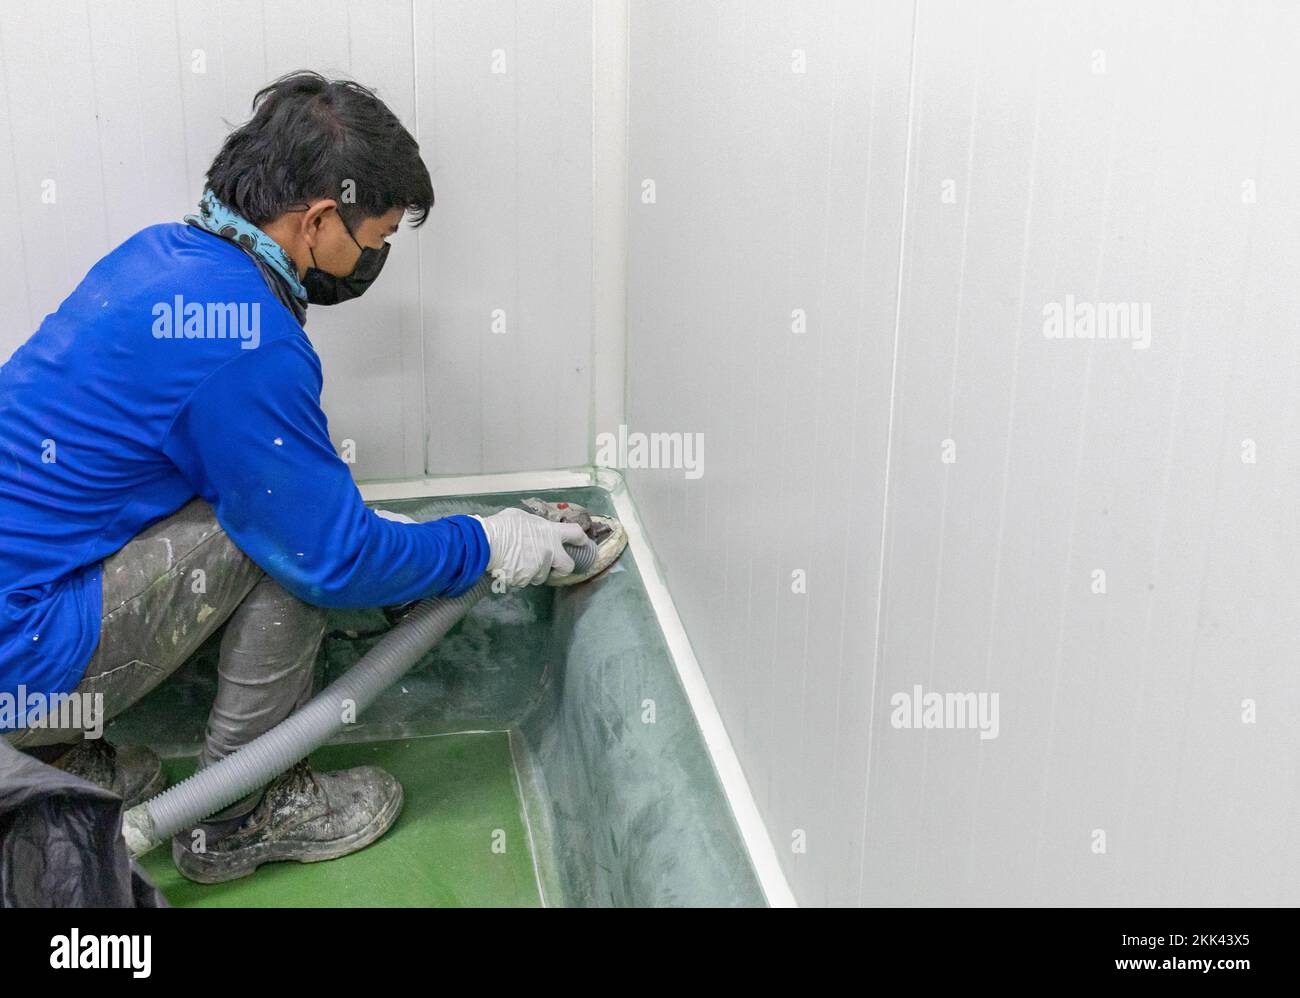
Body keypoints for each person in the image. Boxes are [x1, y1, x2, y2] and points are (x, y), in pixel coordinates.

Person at [0, 71, 583, 884]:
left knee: (251, 493)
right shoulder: (248, 342)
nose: (374, 258)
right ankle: (239, 812)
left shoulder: (155, 258)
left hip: (17, 606)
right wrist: (483, 544)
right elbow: (327, 556)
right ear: (317, 221)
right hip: (17, 652)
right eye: (373, 239)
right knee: (280, 536)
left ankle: (64, 759)